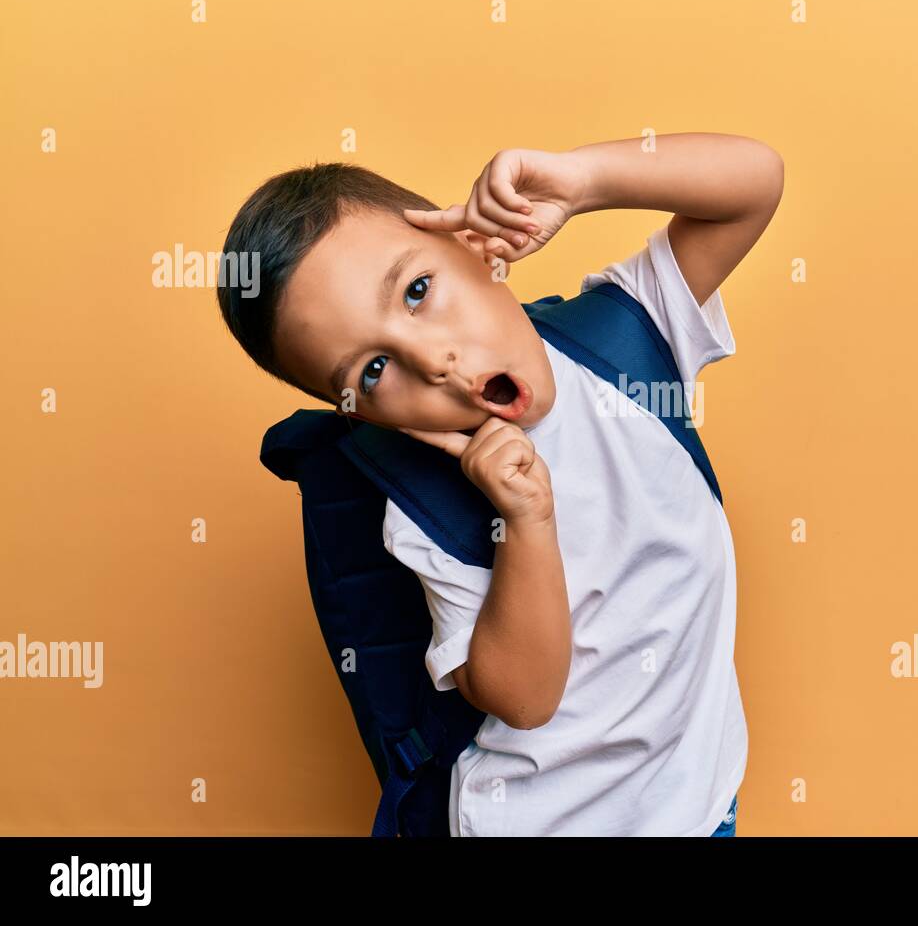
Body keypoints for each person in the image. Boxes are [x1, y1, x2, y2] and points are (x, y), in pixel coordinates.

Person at [216, 133, 783, 835]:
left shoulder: (627, 343)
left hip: (696, 808)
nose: (433, 360)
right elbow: (523, 697)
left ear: (480, 247)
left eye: (418, 291)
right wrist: (526, 521)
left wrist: (584, 180)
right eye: (371, 372)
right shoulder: (424, 509)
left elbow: (754, 185)